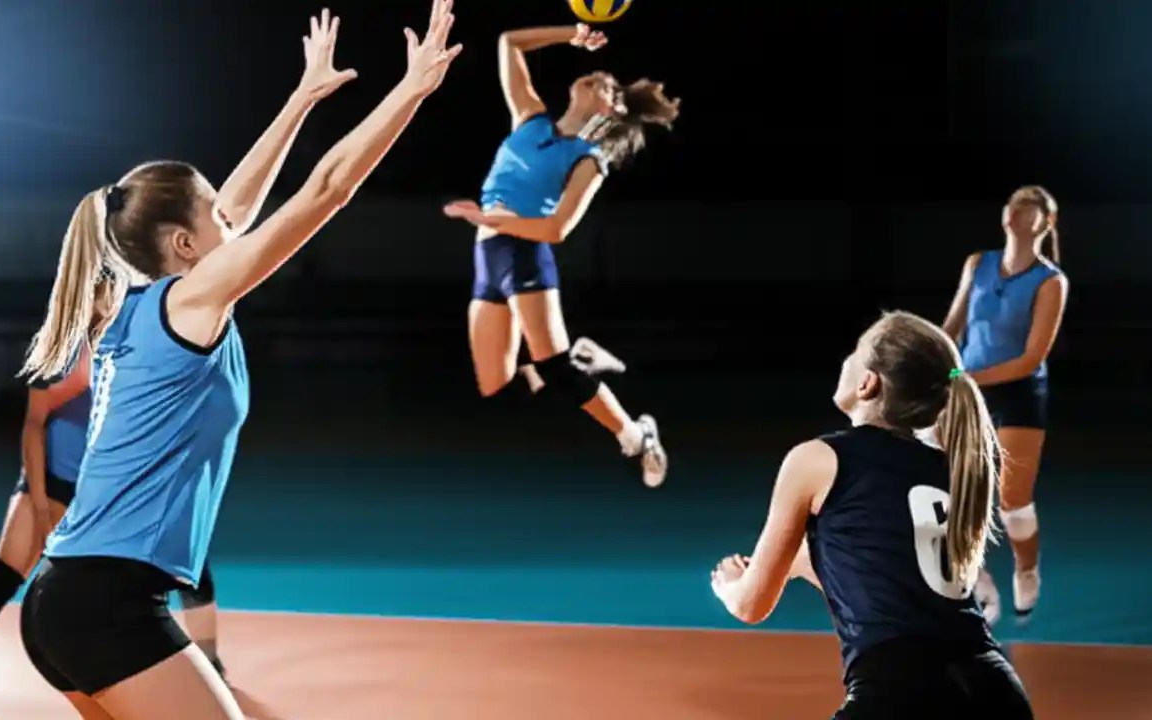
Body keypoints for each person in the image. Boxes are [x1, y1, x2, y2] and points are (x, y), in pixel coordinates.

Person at [15, 6, 460, 718]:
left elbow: (239, 207)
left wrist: (301, 98)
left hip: (57, 599)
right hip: (107, 608)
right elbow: (326, 191)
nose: (229, 216)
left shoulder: (133, 302)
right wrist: (410, 91)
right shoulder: (188, 306)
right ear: (185, 248)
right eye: (213, 217)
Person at [710, 311, 1033, 719]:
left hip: (900, 693)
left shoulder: (817, 459)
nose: (846, 360)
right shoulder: (950, 468)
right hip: (996, 690)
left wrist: (730, 585)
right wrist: (800, 565)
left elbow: (751, 606)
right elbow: (890, 581)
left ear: (868, 382)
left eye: (854, 352)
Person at [0, 295, 229, 710]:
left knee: (191, 571)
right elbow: (34, 425)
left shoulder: (148, 340)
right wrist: (38, 501)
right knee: (6, 572)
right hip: (52, 481)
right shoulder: (64, 349)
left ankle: (210, 664)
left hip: (109, 491)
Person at [441, 23, 679, 487]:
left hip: (527, 254)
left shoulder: (589, 159)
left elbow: (556, 228)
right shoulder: (529, 119)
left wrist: (490, 220)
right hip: (488, 256)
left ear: (610, 109)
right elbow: (508, 42)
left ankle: (635, 436)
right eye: (596, 74)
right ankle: (581, 357)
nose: (598, 77)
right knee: (496, 384)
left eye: (608, 86)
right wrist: (571, 33)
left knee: (552, 367)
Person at [941, 185, 1068, 622]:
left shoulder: (1050, 281)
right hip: (968, 390)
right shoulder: (979, 264)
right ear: (1003, 216)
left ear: (1045, 224)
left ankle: (1026, 569)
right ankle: (979, 579)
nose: (1019, 213)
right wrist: (937, 363)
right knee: (954, 491)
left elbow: (1032, 357)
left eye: (1031, 209)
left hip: (1018, 391)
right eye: (1014, 205)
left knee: (1011, 499)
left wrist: (967, 377)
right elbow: (954, 325)